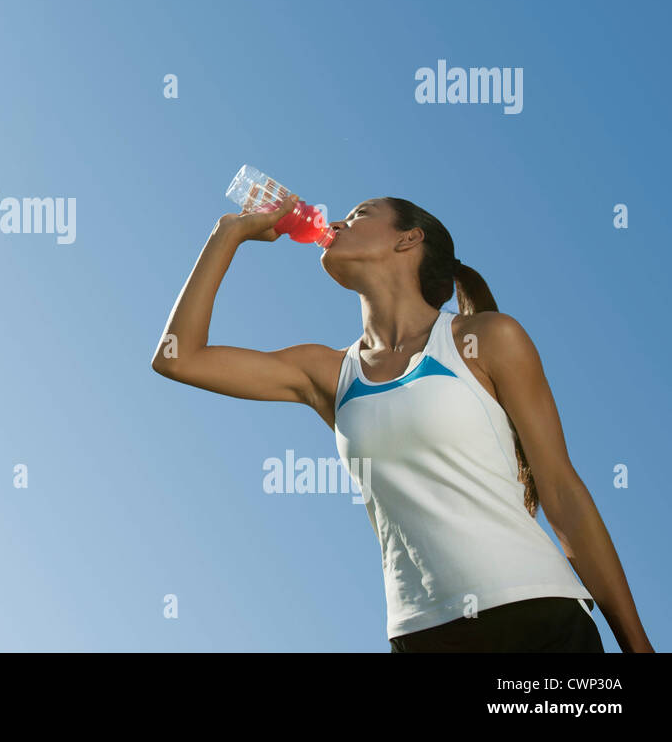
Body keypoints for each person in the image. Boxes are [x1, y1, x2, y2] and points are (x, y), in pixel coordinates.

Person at [151, 193, 654, 652]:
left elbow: (563, 494)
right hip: (419, 634)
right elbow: (178, 358)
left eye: (358, 215)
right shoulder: (328, 373)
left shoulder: (485, 338)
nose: (336, 222)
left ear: (409, 239)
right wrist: (228, 233)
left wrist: (637, 646)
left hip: (533, 613)